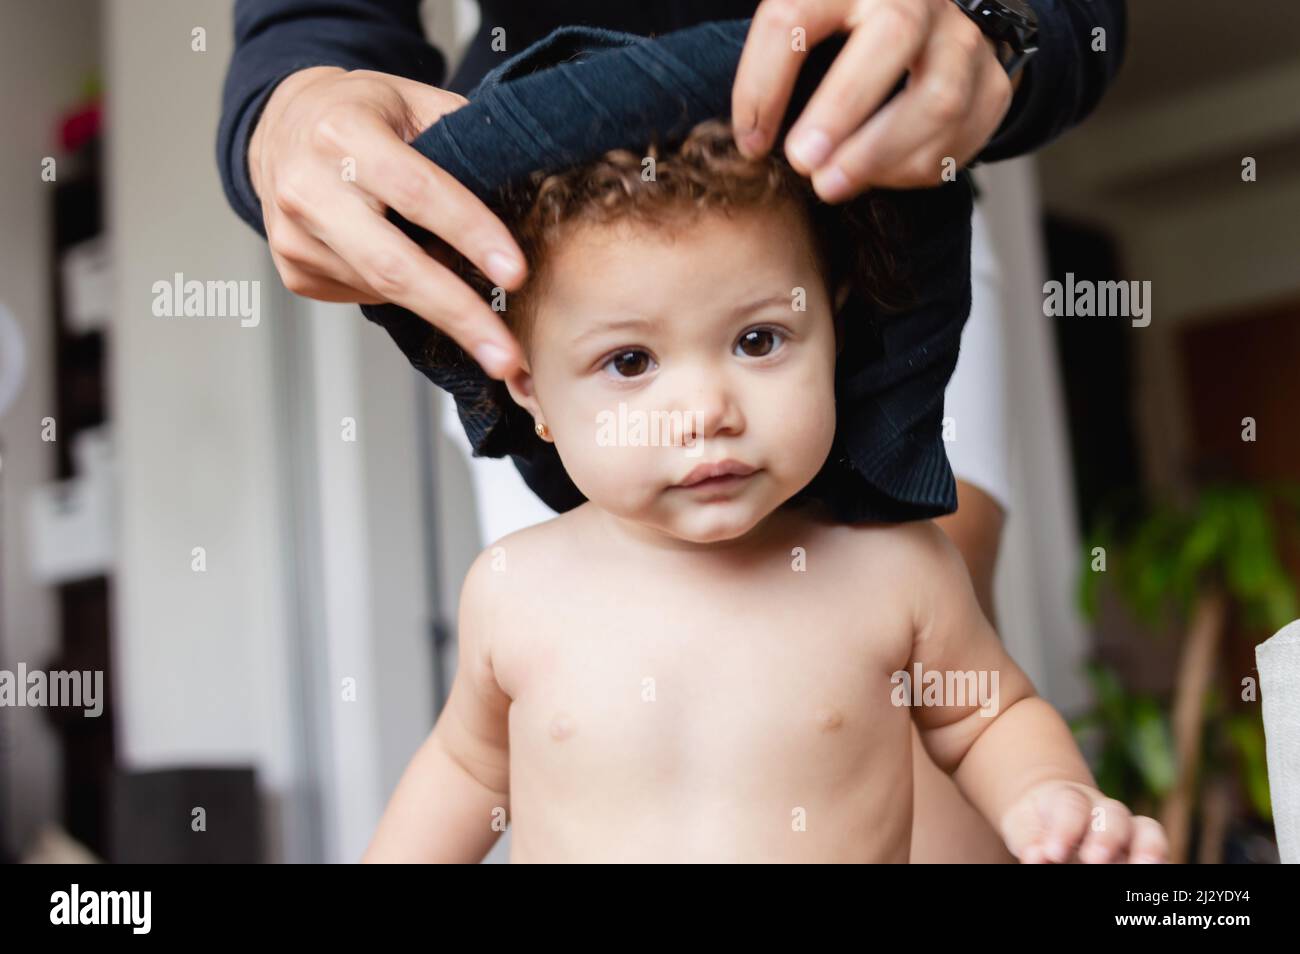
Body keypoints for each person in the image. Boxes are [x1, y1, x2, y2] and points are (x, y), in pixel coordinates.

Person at [216, 0, 1128, 862]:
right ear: (525, 385)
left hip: (866, 138)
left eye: (758, 339)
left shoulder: (901, 570)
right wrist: (294, 92)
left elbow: (987, 720)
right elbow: (466, 770)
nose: (707, 412)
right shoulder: (515, 591)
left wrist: (1051, 801)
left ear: (837, 329)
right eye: (630, 363)